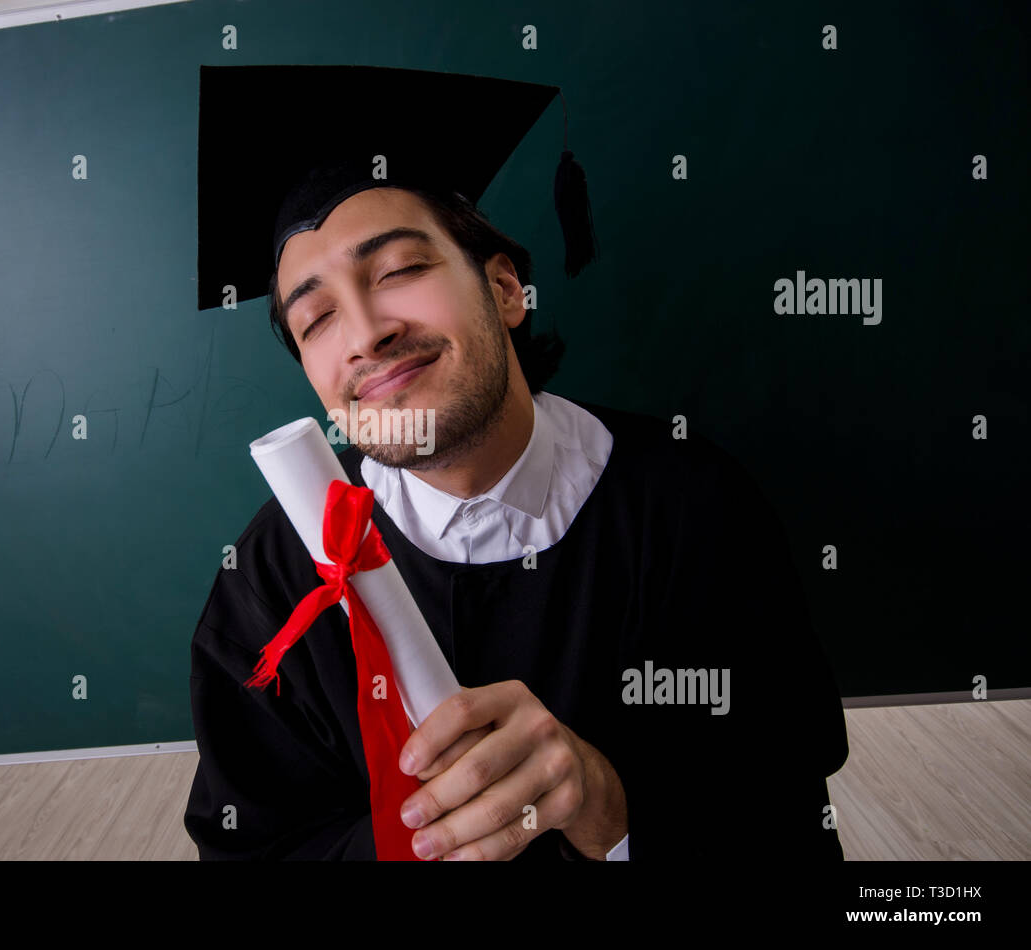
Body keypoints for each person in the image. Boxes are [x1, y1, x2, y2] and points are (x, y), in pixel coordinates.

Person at [184, 64, 848, 861]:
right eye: (317, 318)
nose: (364, 332)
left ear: (504, 289)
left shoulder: (692, 507)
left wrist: (611, 809)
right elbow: (252, 846)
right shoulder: (271, 578)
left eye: (397, 270)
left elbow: (781, 811)